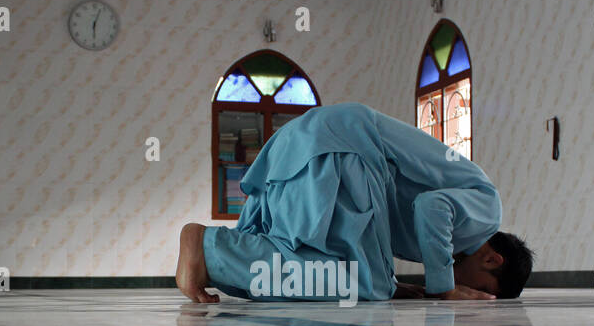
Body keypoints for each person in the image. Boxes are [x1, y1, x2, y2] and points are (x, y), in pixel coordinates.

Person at [176, 102, 533, 304]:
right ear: (492, 258)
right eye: (483, 288)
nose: (472, 293)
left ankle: (213, 258)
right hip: (342, 149)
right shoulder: (487, 211)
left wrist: (392, 282)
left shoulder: (457, 233)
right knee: (366, 284)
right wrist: (444, 287)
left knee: (351, 277)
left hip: (301, 148)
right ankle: (208, 248)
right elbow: (431, 209)